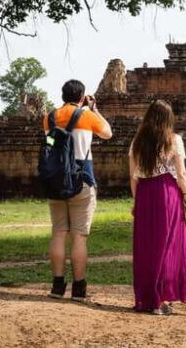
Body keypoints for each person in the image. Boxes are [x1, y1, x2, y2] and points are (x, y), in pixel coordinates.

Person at [129, 100, 186, 315]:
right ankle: (161, 298)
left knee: (147, 248)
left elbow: (133, 177)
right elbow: (181, 174)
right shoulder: (173, 140)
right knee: (167, 245)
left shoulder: (137, 142)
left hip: (144, 194)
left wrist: (137, 202)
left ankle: (149, 298)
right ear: (168, 119)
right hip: (167, 195)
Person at [43, 79, 112, 302]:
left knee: (59, 233)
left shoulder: (50, 117)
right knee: (79, 237)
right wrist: (94, 109)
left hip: (55, 181)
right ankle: (79, 289)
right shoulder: (87, 116)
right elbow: (108, 133)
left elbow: (51, 143)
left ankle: (57, 286)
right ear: (81, 97)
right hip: (82, 178)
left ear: (63, 96)